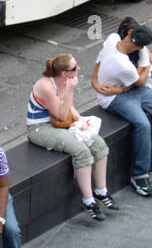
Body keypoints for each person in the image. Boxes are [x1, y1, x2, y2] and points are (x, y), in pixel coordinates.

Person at [92, 23, 152, 195]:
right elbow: (140, 82)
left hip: (128, 89)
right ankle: (139, 175)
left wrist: (95, 80)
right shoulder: (124, 65)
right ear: (139, 46)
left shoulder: (113, 39)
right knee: (143, 124)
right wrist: (146, 64)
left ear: (129, 34)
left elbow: (99, 58)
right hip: (114, 97)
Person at [27, 53, 115, 221]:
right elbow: (60, 114)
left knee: (99, 145)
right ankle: (88, 201)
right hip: (40, 128)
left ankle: (101, 191)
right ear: (64, 73)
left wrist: (80, 120)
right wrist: (70, 91)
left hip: (59, 123)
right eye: (75, 68)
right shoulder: (46, 85)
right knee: (82, 151)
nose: (79, 69)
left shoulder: (65, 81)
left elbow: (69, 107)